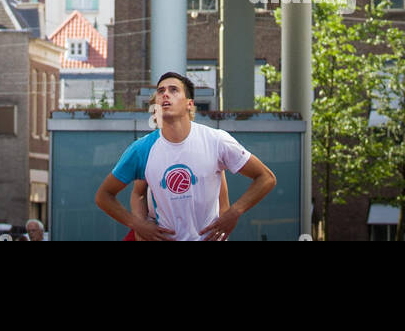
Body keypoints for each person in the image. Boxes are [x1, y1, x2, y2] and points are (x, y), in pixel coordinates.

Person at [95, 72, 275, 242]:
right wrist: (138, 224)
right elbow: (105, 195)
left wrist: (234, 213)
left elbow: (266, 178)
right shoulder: (142, 149)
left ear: (189, 103)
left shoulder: (216, 140)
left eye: (173, 90)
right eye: (161, 91)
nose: (165, 94)